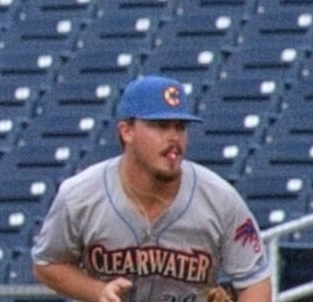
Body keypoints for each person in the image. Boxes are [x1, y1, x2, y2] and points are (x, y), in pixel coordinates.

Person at [31, 74, 273, 302]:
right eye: (160, 126)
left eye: (180, 127)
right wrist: (98, 291)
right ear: (127, 131)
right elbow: (47, 264)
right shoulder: (79, 195)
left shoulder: (220, 198)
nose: (174, 138)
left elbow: (255, 281)